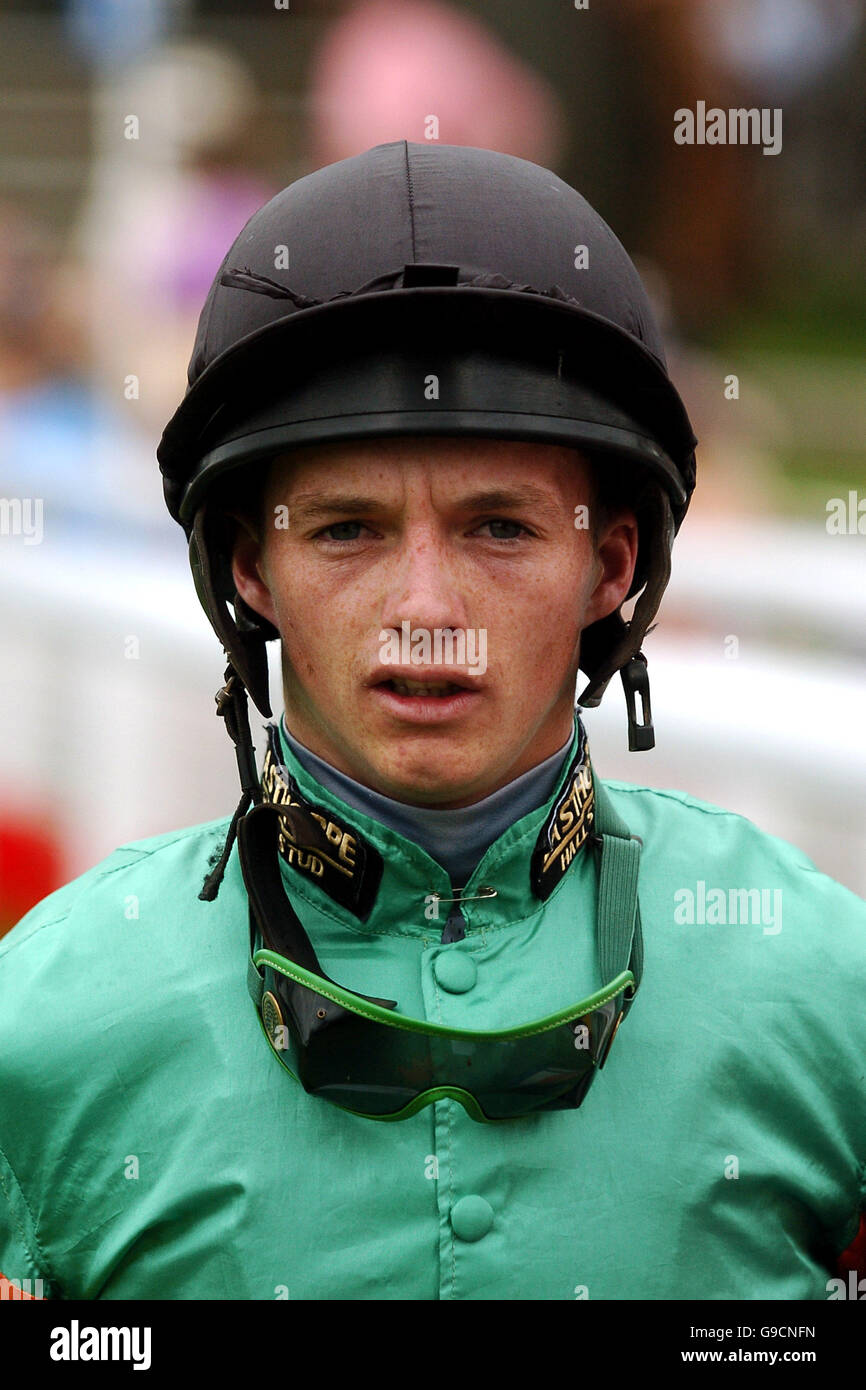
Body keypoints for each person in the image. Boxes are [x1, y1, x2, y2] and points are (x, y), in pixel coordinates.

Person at [1, 141, 863, 1302]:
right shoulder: (41, 1022)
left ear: (609, 565)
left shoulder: (824, 987)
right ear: (250, 567)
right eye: (346, 529)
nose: (424, 610)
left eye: (498, 528)